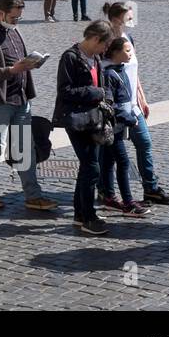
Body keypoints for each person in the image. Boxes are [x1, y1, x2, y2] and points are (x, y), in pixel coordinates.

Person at [0, 0, 57, 212]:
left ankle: (33, 195)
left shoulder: (14, 31)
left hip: (21, 98)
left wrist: (31, 64)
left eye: (19, 17)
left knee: (25, 148)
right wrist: (12, 70)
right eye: (14, 17)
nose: (17, 21)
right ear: (1, 13)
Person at [96, 1, 169, 209]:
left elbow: (133, 70)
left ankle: (150, 187)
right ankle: (106, 190)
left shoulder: (128, 38)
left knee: (144, 143)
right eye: (128, 16)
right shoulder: (103, 41)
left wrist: (142, 96)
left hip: (133, 105)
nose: (132, 18)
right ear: (115, 19)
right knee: (110, 154)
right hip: (115, 109)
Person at [53, 19, 115, 235]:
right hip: (77, 120)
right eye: (105, 45)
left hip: (94, 119)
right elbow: (65, 91)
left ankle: (80, 213)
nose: (106, 50)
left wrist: (105, 94)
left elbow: (102, 85)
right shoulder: (70, 57)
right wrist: (95, 93)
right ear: (96, 39)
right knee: (91, 167)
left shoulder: (95, 57)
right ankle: (88, 217)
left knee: (88, 166)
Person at [98, 36, 149, 217]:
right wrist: (130, 119)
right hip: (114, 126)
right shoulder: (110, 74)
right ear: (115, 52)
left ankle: (109, 196)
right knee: (123, 161)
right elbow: (114, 105)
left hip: (118, 125)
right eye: (127, 51)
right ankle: (128, 203)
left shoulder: (119, 70)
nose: (131, 54)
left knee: (108, 160)